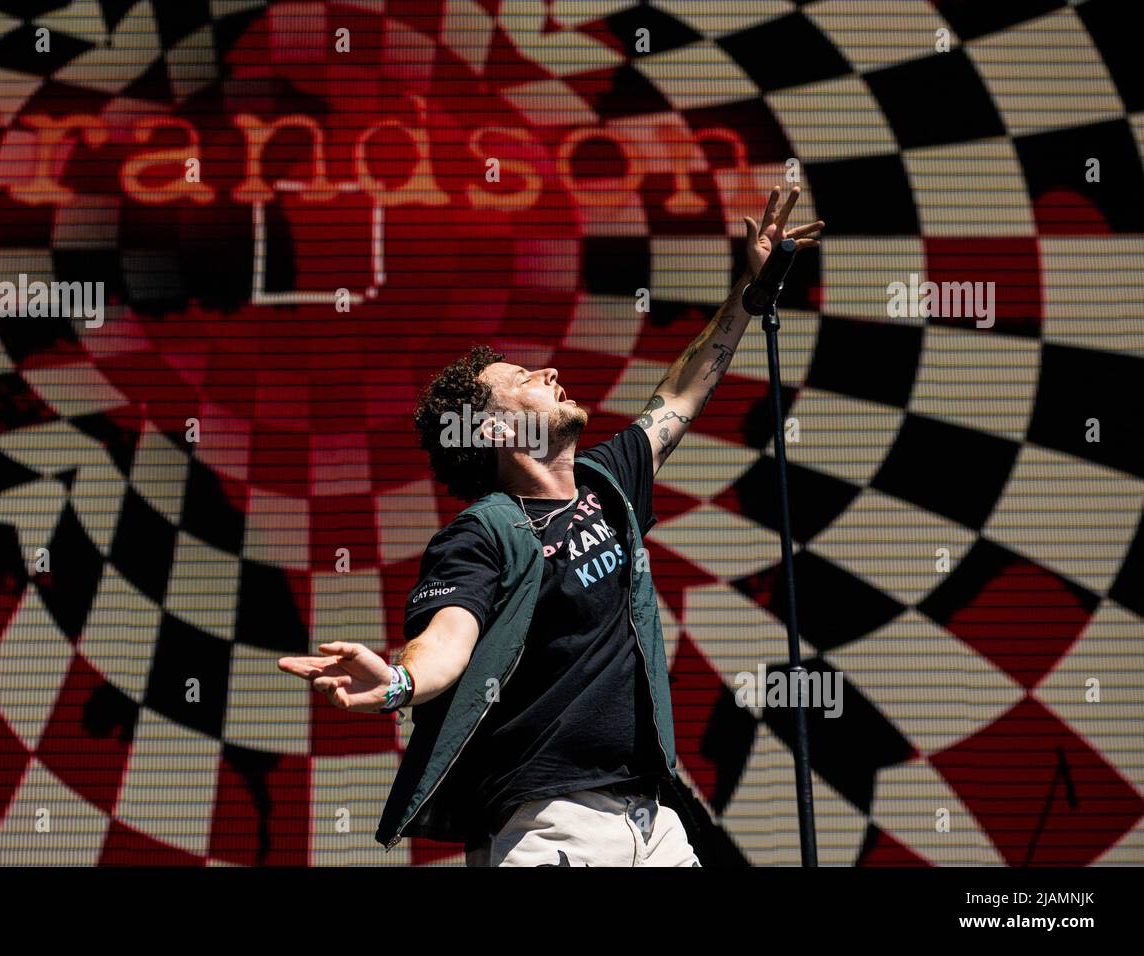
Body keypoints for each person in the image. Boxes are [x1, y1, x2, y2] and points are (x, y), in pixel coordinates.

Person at [280, 187, 822, 865]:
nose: (552, 370)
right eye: (525, 379)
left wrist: (751, 289)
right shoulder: (482, 534)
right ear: (500, 428)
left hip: (653, 819)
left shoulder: (607, 479)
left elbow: (682, 391)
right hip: (552, 828)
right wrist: (397, 683)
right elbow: (449, 640)